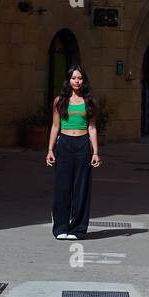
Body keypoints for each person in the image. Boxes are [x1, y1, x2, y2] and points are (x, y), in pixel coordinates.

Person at [46, 65, 101, 238]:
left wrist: (95, 152)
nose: (77, 81)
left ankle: (77, 228)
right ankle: (61, 227)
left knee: (81, 188)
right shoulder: (59, 101)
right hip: (64, 144)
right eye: (73, 78)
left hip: (83, 144)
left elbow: (92, 127)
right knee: (62, 186)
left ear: (84, 81)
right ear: (68, 80)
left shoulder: (89, 102)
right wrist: (50, 150)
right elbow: (55, 126)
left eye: (80, 78)